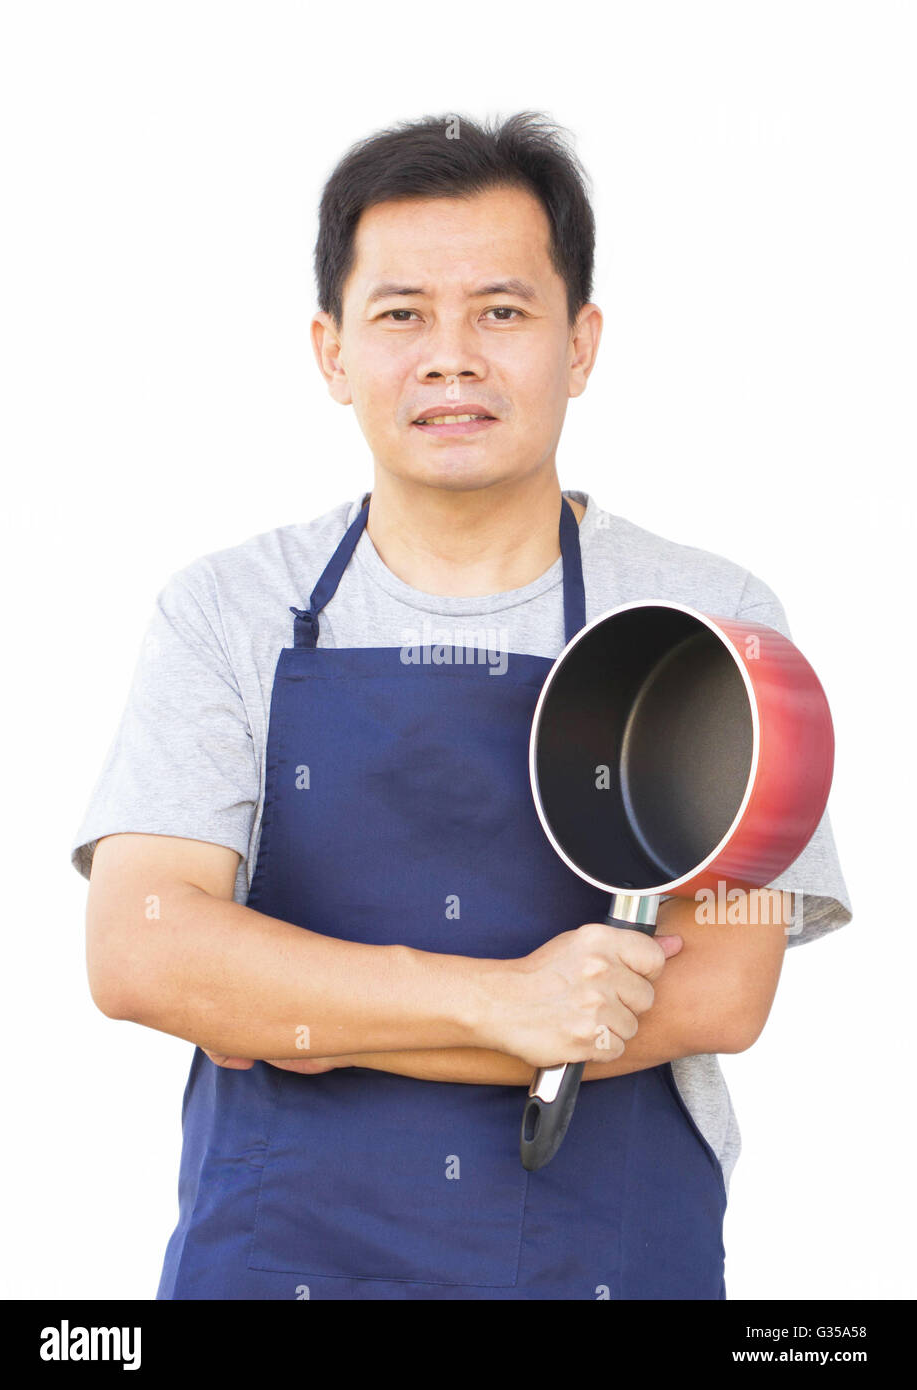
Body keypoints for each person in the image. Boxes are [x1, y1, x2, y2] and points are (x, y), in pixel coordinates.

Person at [71, 112, 852, 1301]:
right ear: (330, 352)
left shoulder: (713, 616)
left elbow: (722, 989)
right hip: (275, 1264)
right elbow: (142, 952)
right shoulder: (229, 610)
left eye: (502, 310)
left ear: (580, 344)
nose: (451, 356)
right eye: (400, 315)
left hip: (605, 1260)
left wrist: (290, 1007)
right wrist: (510, 1004)